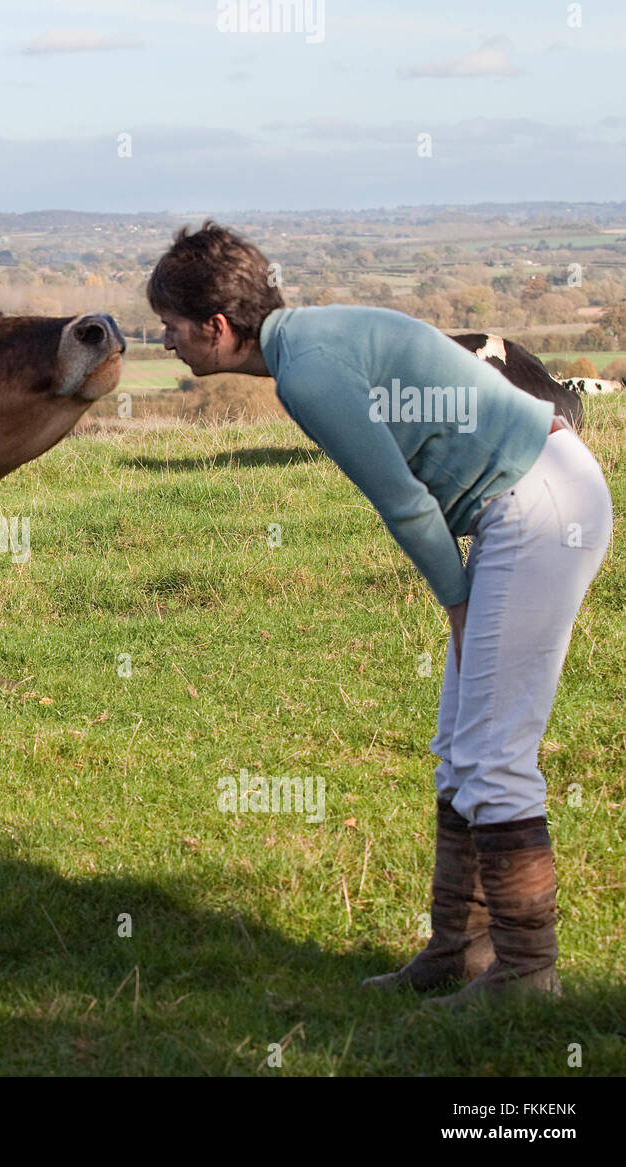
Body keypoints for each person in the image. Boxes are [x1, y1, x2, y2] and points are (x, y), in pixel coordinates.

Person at [147, 221, 613, 1005]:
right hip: (535, 489)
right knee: (461, 745)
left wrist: (458, 605)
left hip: (538, 504)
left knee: (494, 754)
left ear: (217, 328)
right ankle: (457, 950)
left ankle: (528, 978)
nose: (166, 342)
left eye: (170, 326)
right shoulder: (308, 339)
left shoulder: (308, 372)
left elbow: (405, 503)